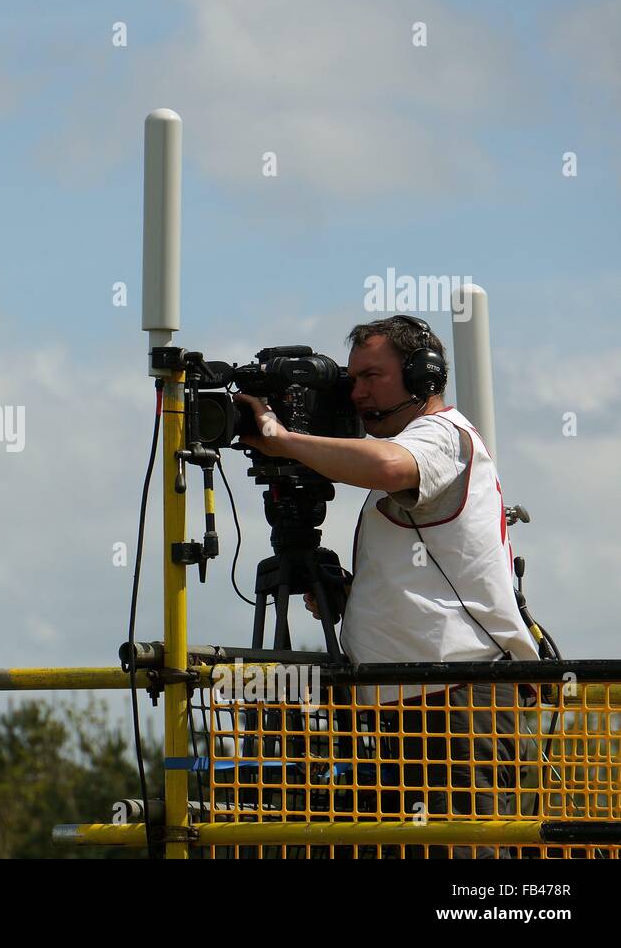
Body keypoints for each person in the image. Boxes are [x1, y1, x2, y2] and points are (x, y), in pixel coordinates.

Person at [232, 315, 539, 858]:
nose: (358, 392)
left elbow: (392, 467)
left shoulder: (443, 436)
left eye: (372, 375)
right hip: (410, 700)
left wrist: (285, 439)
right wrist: (356, 600)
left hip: (459, 702)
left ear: (423, 376)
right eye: (353, 379)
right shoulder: (420, 450)